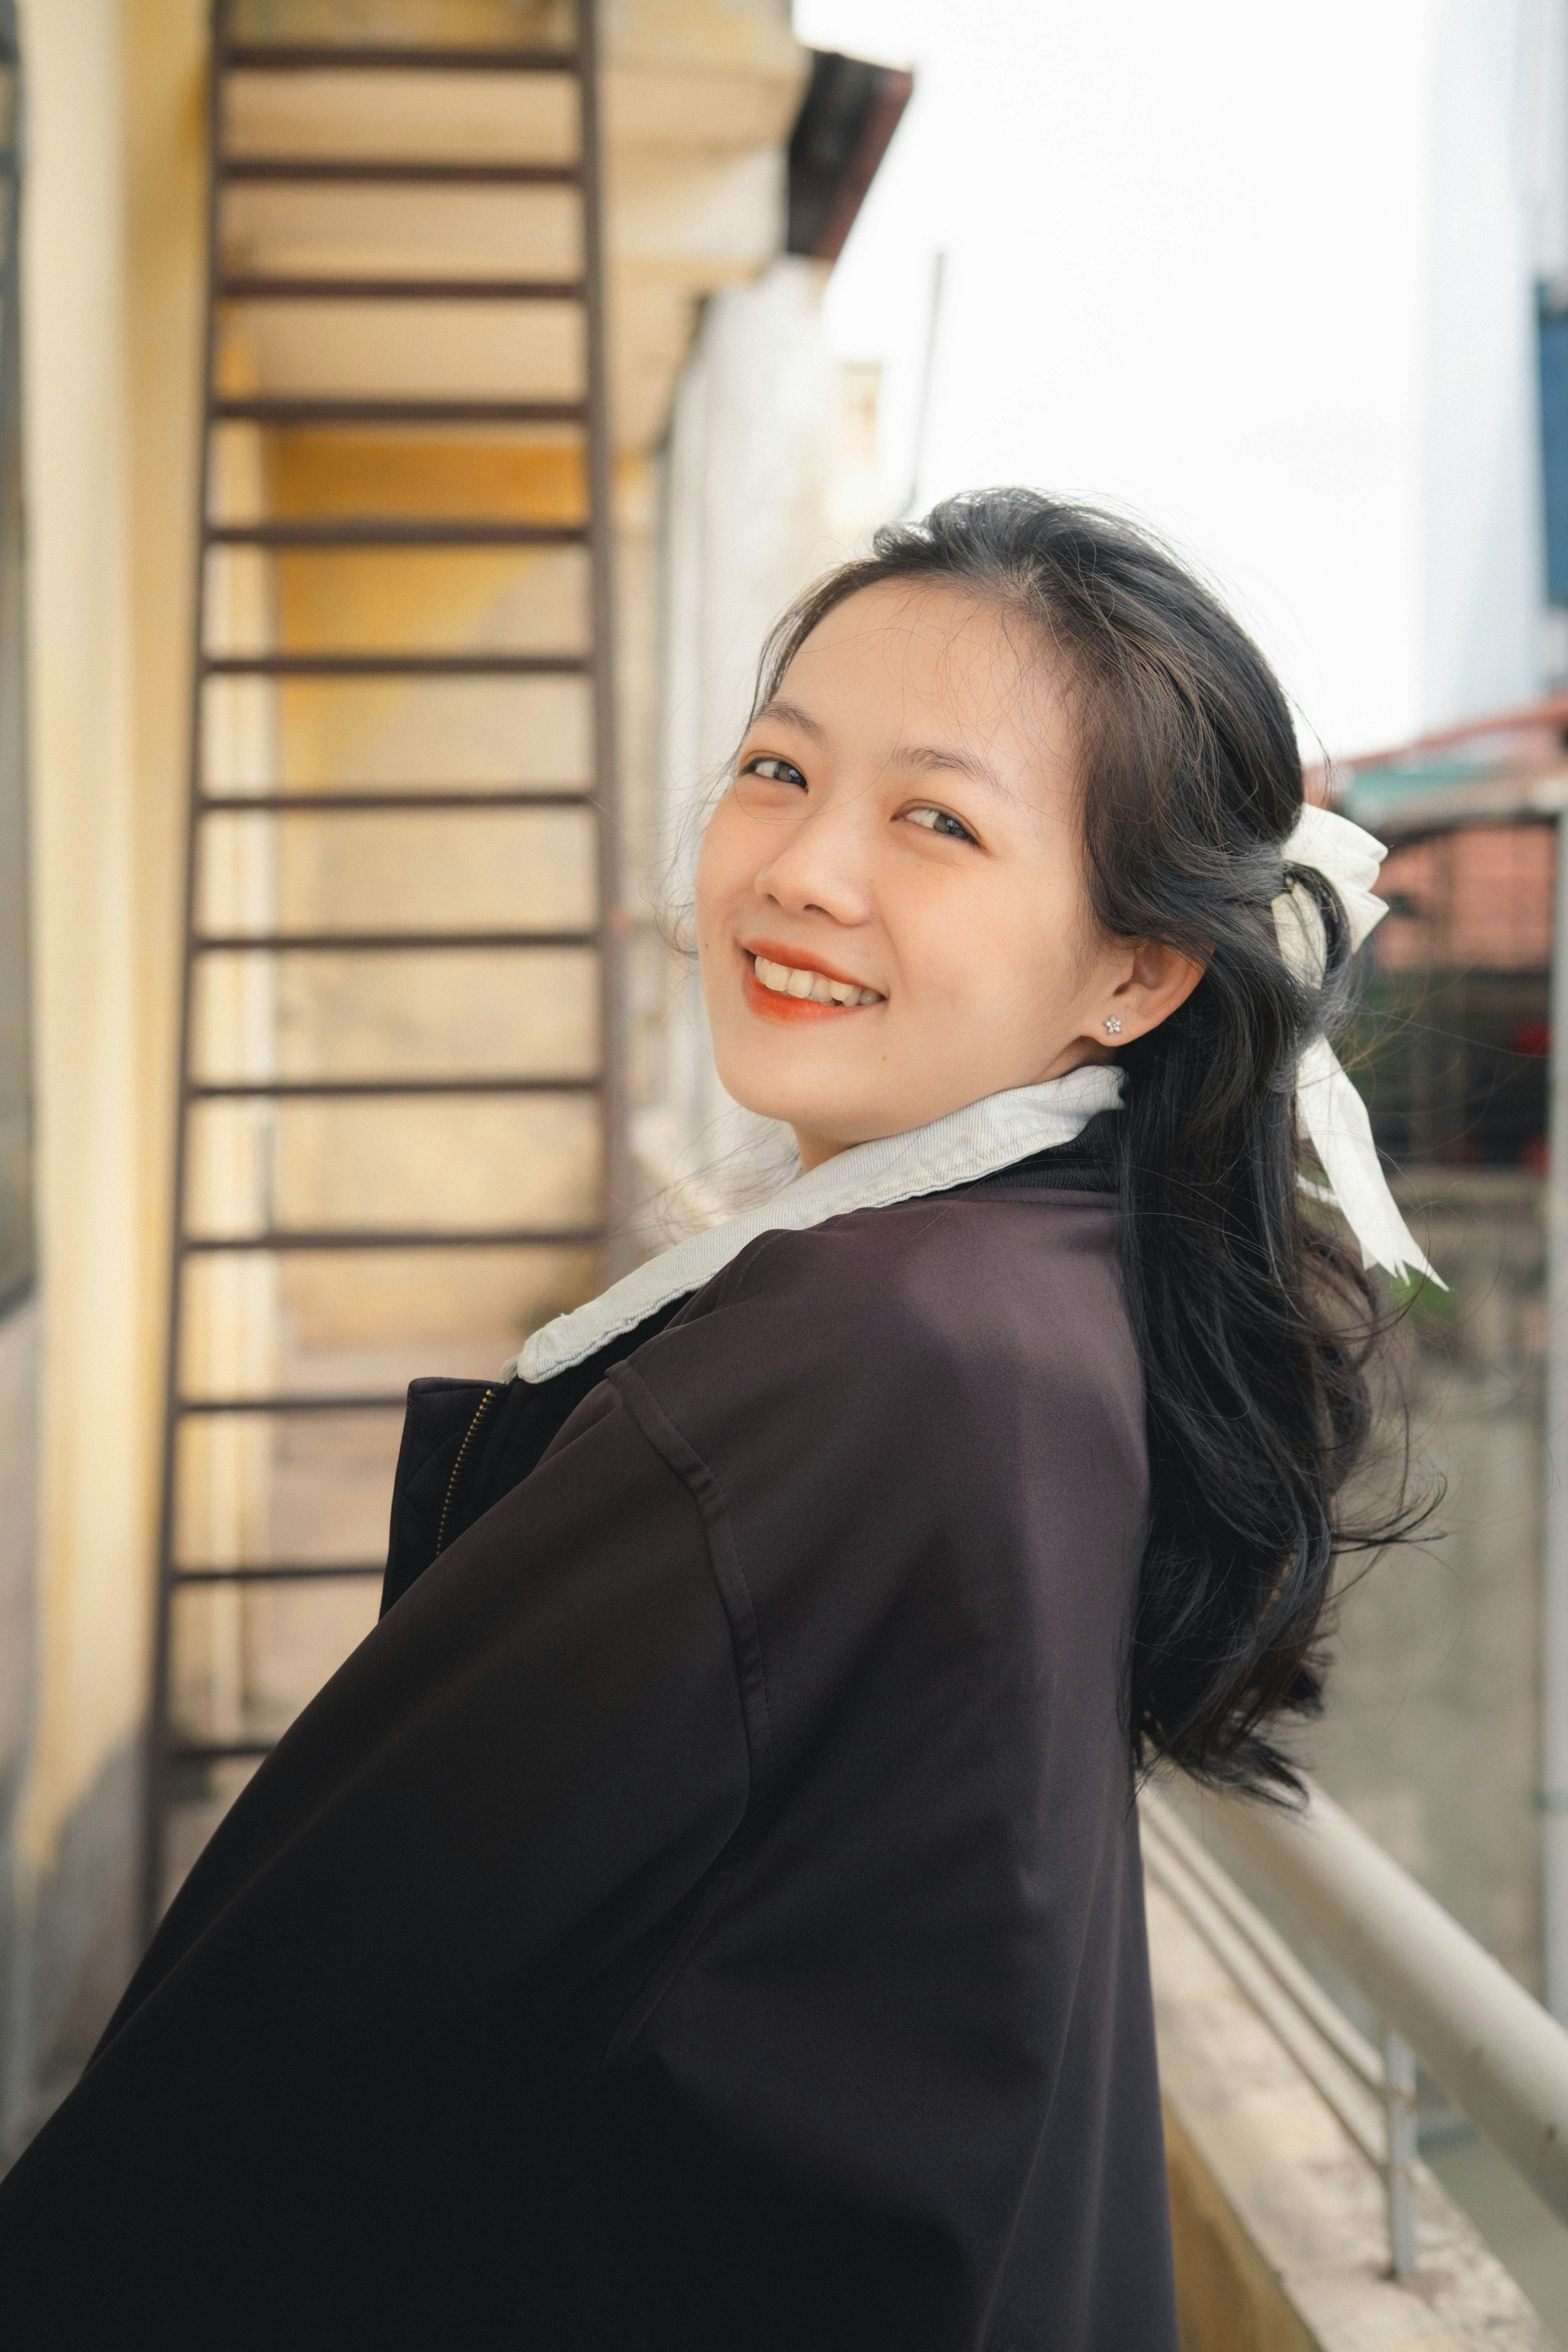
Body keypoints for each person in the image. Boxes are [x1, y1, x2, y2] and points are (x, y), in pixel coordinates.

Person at [0, 490, 1430, 2347]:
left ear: (1132, 972)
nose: (802, 871)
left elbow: (274, 2057)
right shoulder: (1057, 1281)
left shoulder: (845, 1366)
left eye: (935, 818)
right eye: (777, 769)